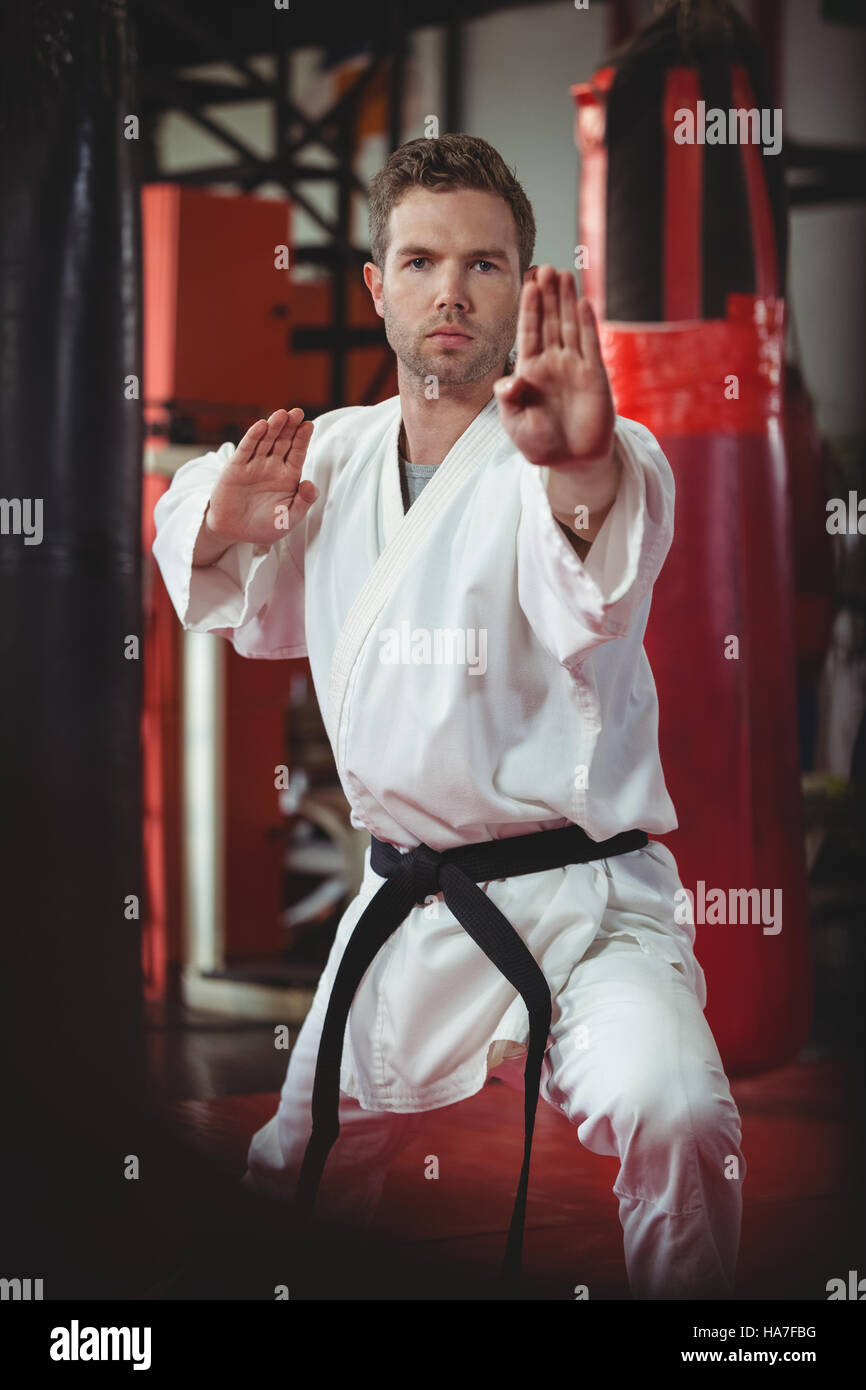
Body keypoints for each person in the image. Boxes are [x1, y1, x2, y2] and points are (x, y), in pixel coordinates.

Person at [152, 133, 745, 1300]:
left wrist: (577, 469)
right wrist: (224, 511)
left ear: (523, 285)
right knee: (296, 1165)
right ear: (375, 286)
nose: (451, 292)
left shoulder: (576, 448)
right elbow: (201, 551)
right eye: (420, 261)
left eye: (484, 264)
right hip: (408, 898)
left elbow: (599, 547)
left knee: (675, 1113)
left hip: (587, 902)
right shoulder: (329, 453)